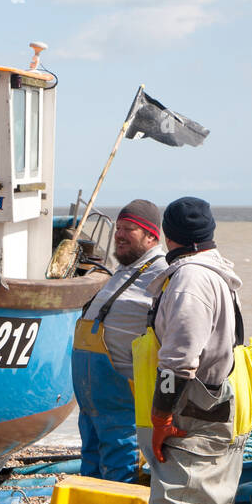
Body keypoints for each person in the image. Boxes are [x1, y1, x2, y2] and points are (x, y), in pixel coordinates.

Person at [131, 197, 252, 504]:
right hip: (220, 417)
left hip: (190, 422)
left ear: (166, 235)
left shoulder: (189, 281)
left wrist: (161, 418)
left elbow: (179, 362)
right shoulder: (219, 272)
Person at [71, 199, 167, 481]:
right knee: (90, 458)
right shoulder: (125, 268)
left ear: (152, 236)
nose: (119, 235)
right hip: (93, 396)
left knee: (119, 466)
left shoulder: (161, 272)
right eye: (118, 228)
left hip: (120, 394)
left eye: (129, 229)